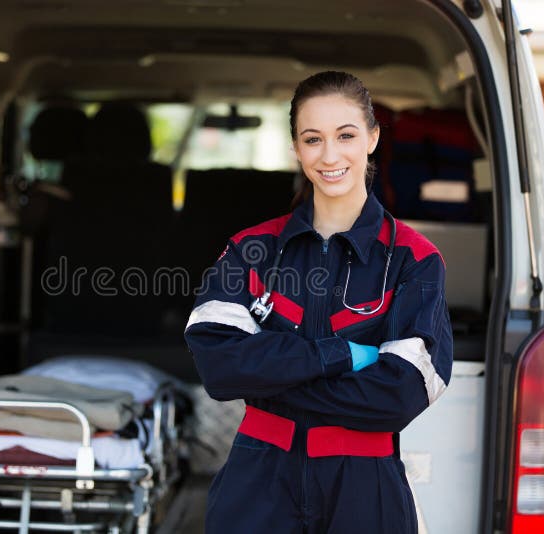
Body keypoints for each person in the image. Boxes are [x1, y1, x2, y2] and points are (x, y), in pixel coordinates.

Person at [184, 71, 453, 533]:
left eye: (345, 135)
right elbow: (219, 367)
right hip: (257, 481)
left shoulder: (415, 259)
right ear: (295, 146)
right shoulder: (249, 249)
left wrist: (271, 379)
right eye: (313, 139)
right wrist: (342, 355)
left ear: (372, 138)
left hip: (365, 487)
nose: (330, 155)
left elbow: (401, 392)